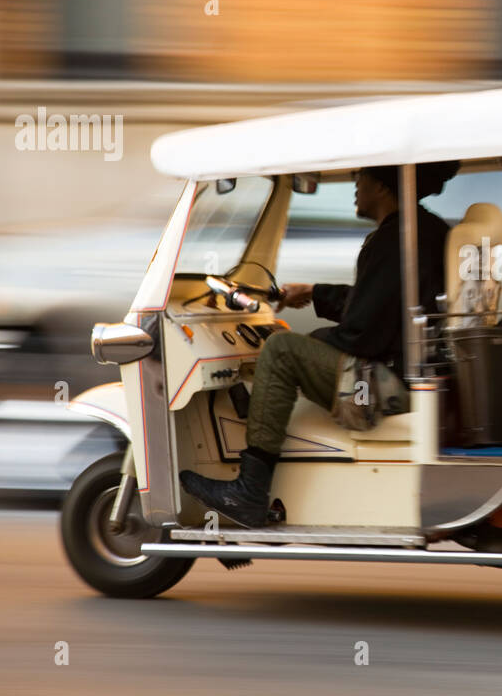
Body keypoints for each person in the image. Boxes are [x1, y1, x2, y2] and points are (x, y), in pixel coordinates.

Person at [179, 161, 457, 526]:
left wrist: (304, 343)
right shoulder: (424, 229)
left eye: (362, 177)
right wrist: (315, 292)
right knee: (290, 349)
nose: (356, 185)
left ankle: (248, 492)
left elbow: (363, 334)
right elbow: (379, 304)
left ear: (384, 188)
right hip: (413, 373)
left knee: (281, 352)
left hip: (382, 384)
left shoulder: (397, 239)